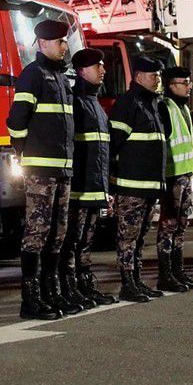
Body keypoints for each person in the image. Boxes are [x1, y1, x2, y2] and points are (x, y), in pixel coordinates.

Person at [6, 19, 78, 320]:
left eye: (65, 42)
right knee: (36, 233)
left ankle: (50, 293)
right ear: (43, 43)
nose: (65, 47)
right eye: (60, 42)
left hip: (62, 170)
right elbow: (16, 121)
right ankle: (30, 300)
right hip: (41, 169)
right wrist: (25, 154)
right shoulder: (33, 75)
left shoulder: (61, 78)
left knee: (57, 234)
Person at [108, 56, 169, 302]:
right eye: (153, 75)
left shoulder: (153, 104)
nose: (158, 80)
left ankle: (137, 279)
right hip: (132, 186)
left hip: (149, 186)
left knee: (140, 236)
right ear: (139, 77)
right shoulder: (128, 103)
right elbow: (114, 143)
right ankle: (127, 283)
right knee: (128, 236)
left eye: (159, 76)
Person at [61, 48, 117, 308]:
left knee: (85, 242)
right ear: (82, 71)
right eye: (98, 66)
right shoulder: (77, 101)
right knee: (72, 241)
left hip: (94, 187)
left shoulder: (94, 103)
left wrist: (105, 187)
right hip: (79, 188)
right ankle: (69, 289)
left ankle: (84, 287)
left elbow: (102, 151)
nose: (103, 70)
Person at [157, 66, 193, 291]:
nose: (188, 87)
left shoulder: (182, 108)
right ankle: (165, 275)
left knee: (181, 225)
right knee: (169, 225)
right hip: (172, 176)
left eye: (189, 82)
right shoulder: (165, 107)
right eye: (183, 83)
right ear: (169, 85)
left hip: (185, 174)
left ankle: (178, 271)